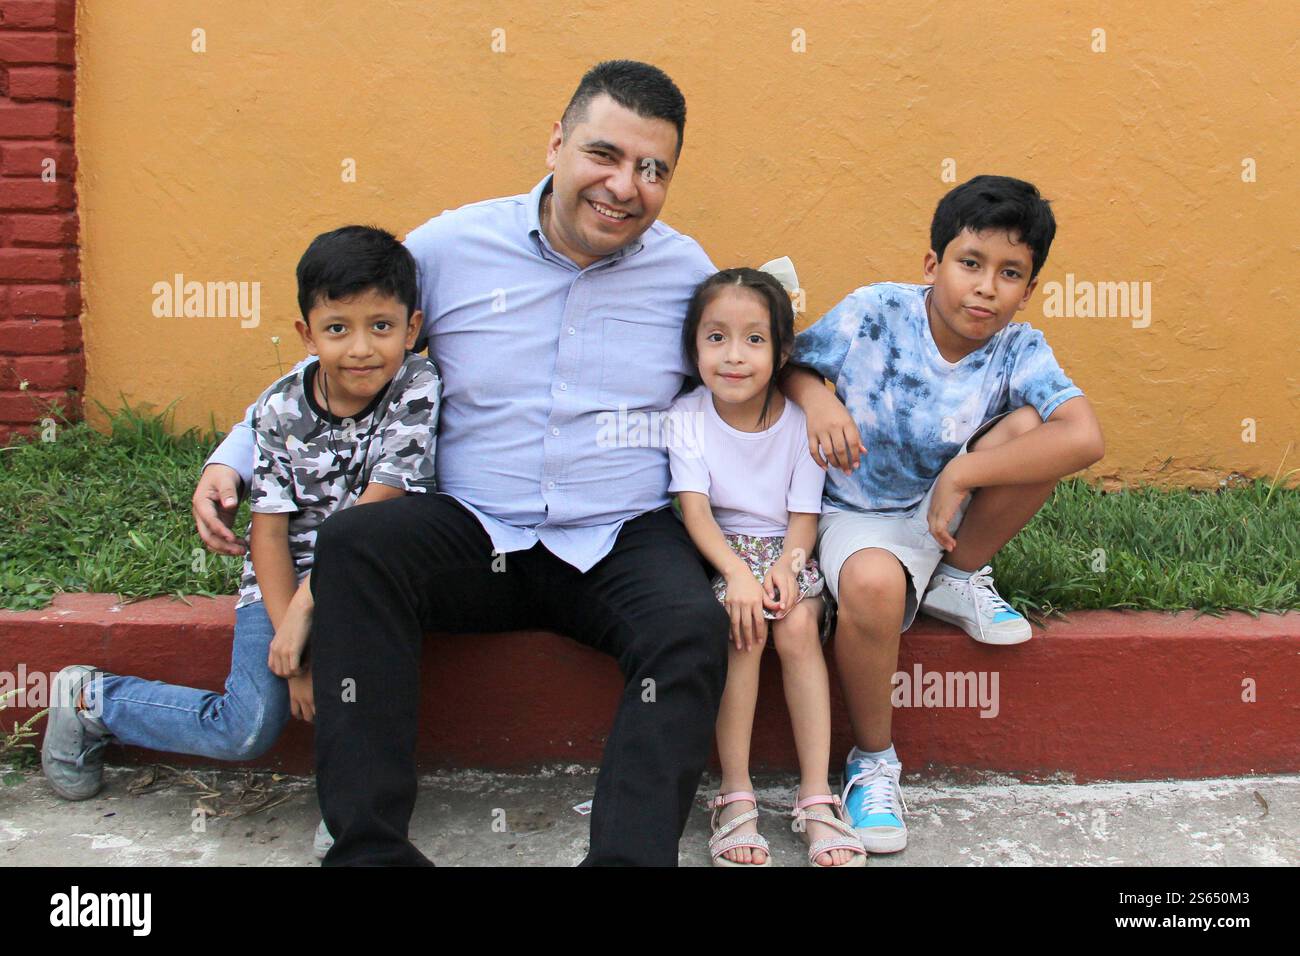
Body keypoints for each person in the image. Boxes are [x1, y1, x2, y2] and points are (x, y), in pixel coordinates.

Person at [193, 61, 729, 866]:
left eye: (654, 170)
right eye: (606, 155)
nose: (626, 186)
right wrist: (235, 454)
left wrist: (813, 393)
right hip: (477, 529)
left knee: (690, 625)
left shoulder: (686, 273)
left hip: (619, 534)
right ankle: (369, 848)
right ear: (556, 143)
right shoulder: (451, 247)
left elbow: (747, 360)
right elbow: (353, 343)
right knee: (354, 546)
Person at [42, 227, 442, 864]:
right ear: (307, 334)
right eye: (338, 328)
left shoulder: (416, 386)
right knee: (248, 727)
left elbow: (379, 505)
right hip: (284, 578)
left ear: (412, 326)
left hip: (369, 567)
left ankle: (351, 811)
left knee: (361, 652)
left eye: (382, 326)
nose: (362, 349)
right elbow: (271, 531)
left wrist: (310, 621)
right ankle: (93, 699)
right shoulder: (280, 410)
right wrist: (293, 650)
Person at [782, 175, 1106, 854]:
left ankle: (957, 577)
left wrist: (964, 471)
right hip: (860, 513)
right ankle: (872, 761)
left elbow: (1083, 438)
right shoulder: (875, 311)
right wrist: (818, 400)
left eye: (1010, 273)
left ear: (1029, 289)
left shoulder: (1019, 347)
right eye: (970, 264)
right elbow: (790, 365)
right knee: (871, 585)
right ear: (932, 265)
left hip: (942, 516)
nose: (986, 287)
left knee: (1031, 430)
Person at [668, 263, 867, 868]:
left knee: (799, 627)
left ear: (782, 353)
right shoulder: (686, 416)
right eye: (716, 337)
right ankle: (734, 795)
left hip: (786, 548)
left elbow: (804, 513)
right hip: (720, 554)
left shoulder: (802, 420)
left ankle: (815, 795)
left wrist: (787, 565)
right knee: (745, 630)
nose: (734, 356)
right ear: (694, 347)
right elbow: (696, 513)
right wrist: (739, 577)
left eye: (754, 339)